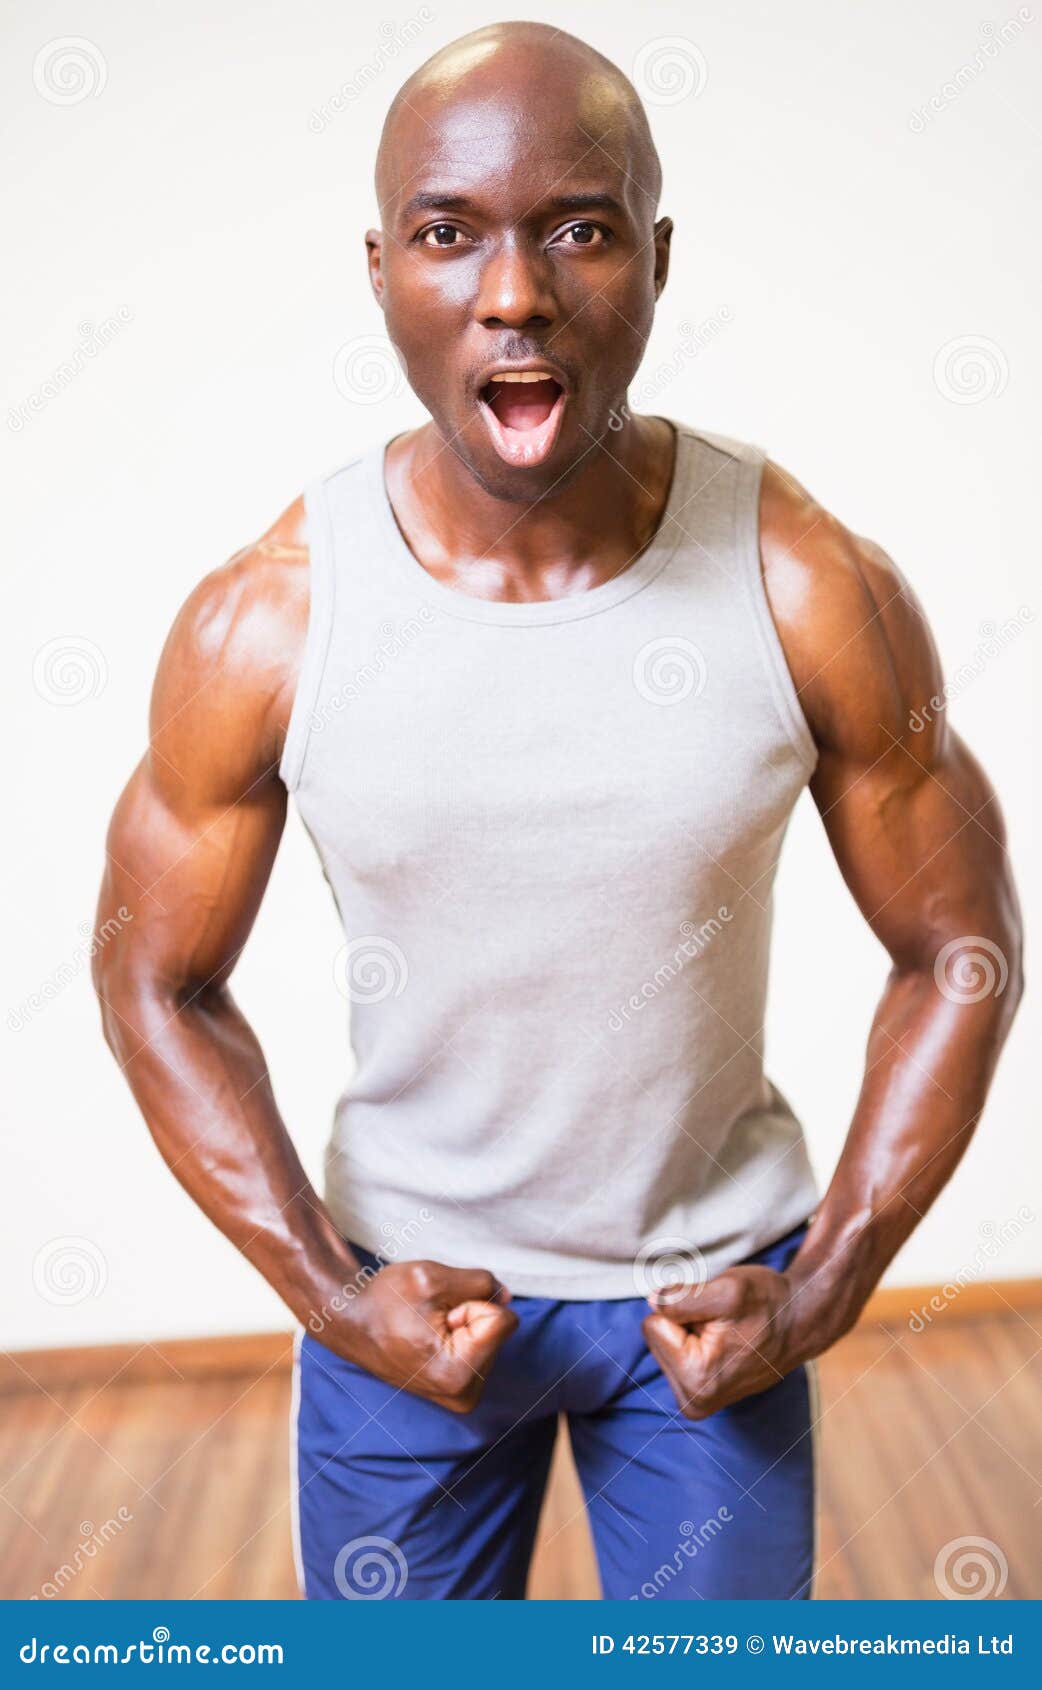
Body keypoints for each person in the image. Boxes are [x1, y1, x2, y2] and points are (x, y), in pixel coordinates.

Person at [92, 22, 1022, 1601]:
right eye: (447, 234)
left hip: (707, 1308)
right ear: (381, 269)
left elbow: (957, 948)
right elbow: (150, 975)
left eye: (578, 230)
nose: (513, 294)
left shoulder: (806, 582)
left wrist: (822, 1287)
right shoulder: (270, 618)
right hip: (407, 1299)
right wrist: (330, 1293)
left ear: (656, 261)